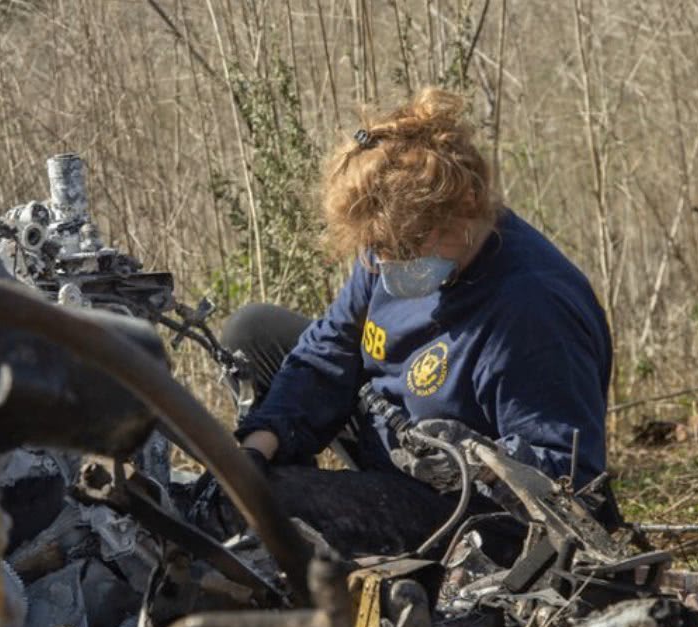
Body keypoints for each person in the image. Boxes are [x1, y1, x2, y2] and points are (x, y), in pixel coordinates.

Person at [214, 87, 618, 557]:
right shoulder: (391, 246)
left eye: (404, 249)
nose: (386, 264)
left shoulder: (532, 310)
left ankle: (344, 525)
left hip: (462, 507)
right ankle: (319, 499)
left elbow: (567, 481)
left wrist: (469, 464)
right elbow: (329, 349)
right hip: (392, 430)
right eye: (377, 250)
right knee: (254, 333)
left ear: (466, 203)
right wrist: (258, 445)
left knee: (275, 503)